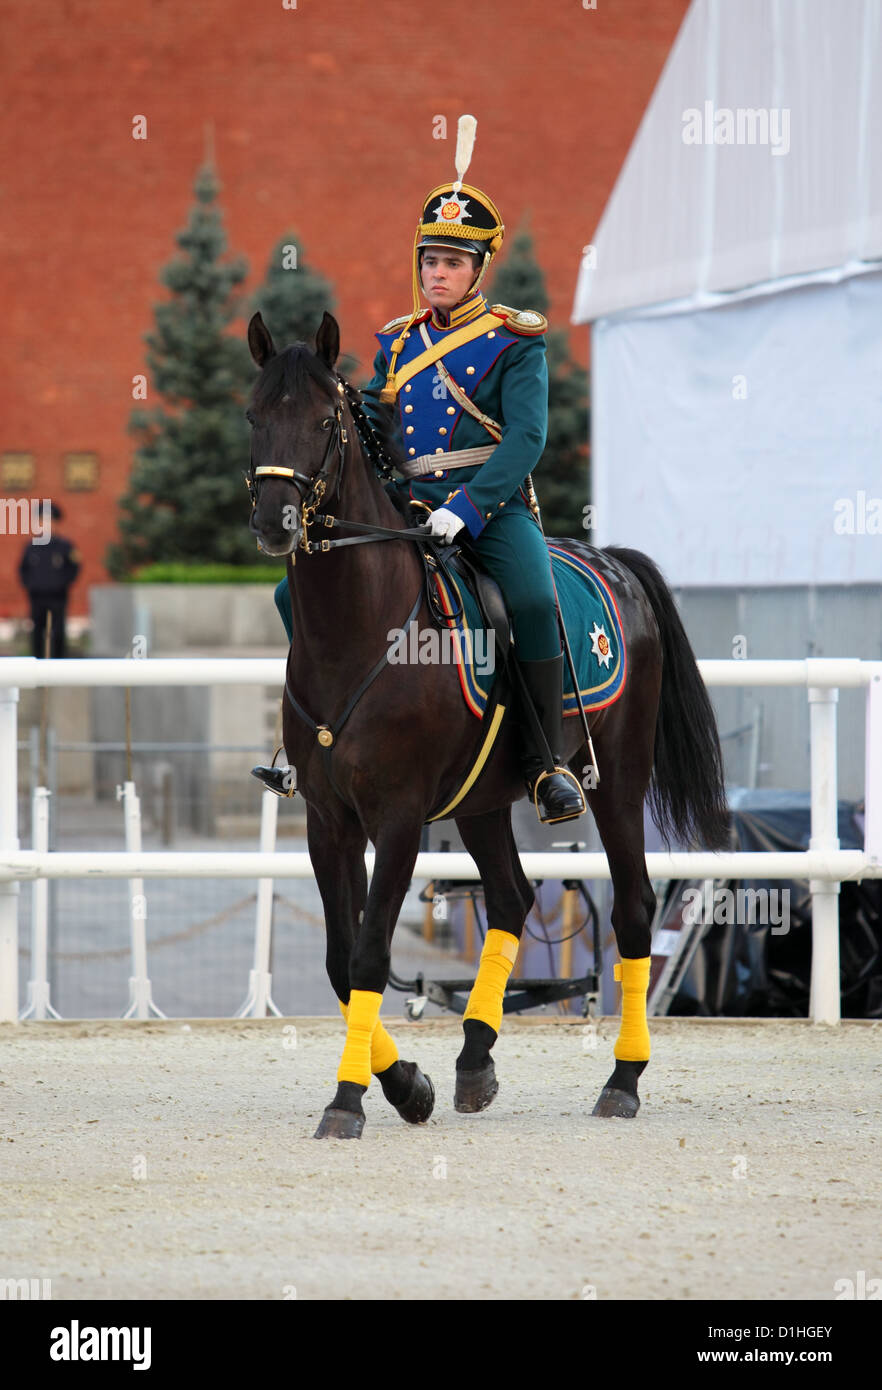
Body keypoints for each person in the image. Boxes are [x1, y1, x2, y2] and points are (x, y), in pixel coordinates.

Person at [254, 116, 585, 824]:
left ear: (478, 269)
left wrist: (466, 509)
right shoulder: (397, 344)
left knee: (529, 601)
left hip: (490, 509)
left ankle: (546, 762)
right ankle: (309, 747)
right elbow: (377, 430)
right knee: (294, 597)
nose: (437, 274)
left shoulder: (513, 341)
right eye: (430, 262)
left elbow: (527, 440)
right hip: (405, 510)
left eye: (453, 263)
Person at [18, 501, 81, 659]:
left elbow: (74, 568)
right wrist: (31, 584)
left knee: (58, 632)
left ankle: (58, 666)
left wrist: (61, 583)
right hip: (37, 597)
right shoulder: (31, 546)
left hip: (58, 597)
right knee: (37, 633)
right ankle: (37, 666)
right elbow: (23, 569)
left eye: (50, 521)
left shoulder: (64, 546)